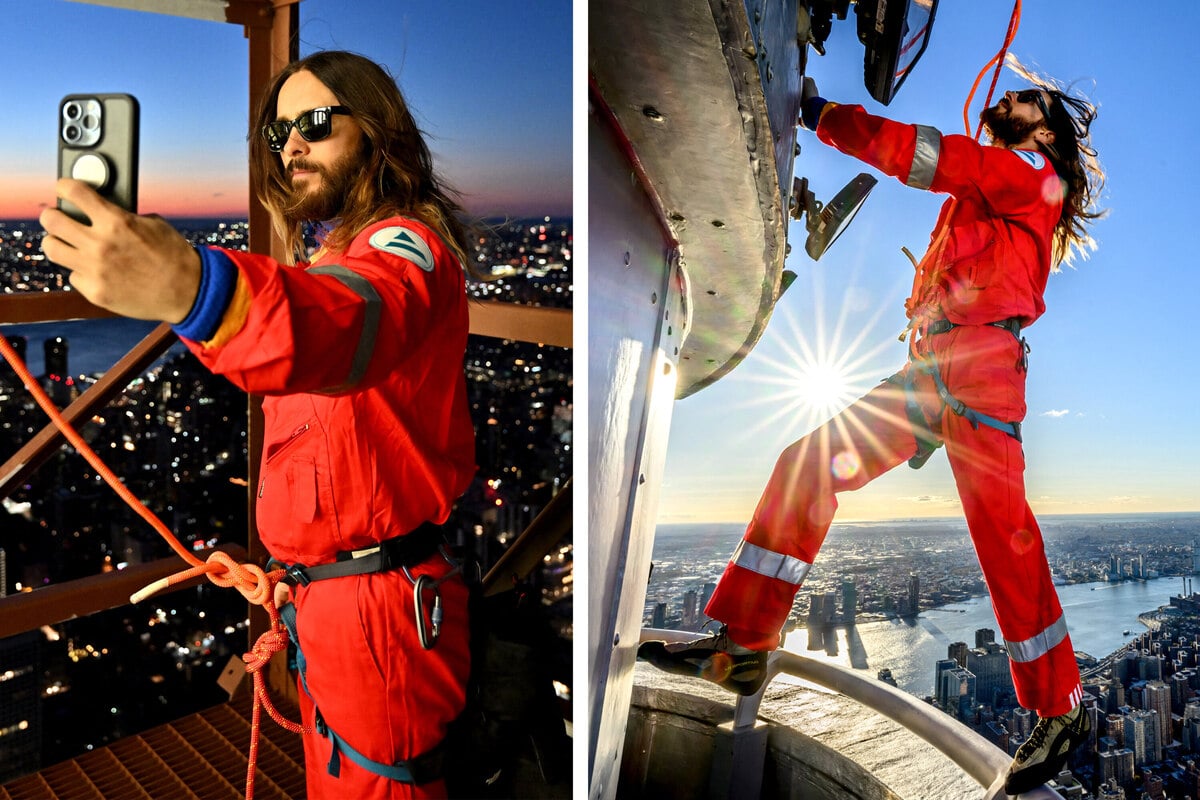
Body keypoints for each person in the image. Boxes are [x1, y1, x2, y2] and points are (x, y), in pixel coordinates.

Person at [640, 76, 1104, 795]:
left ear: (1043, 133)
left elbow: (927, 155)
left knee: (1003, 537)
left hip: (981, 373)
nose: (1010, 100)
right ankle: (746, 646)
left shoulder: (1028, 172)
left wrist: (824, 115)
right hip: (934, 370)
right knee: (809, 462)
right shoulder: (990, 194)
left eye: (1026, 100)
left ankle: (1061, 708)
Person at [40, 51, 480, 799]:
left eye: (316, 122)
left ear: (378, 131)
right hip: (332, 598)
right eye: (280, 132)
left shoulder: (407, 246)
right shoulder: (333, 257)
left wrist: (196, 290)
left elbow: (349, 321)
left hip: (379, 613)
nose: (292, 146)